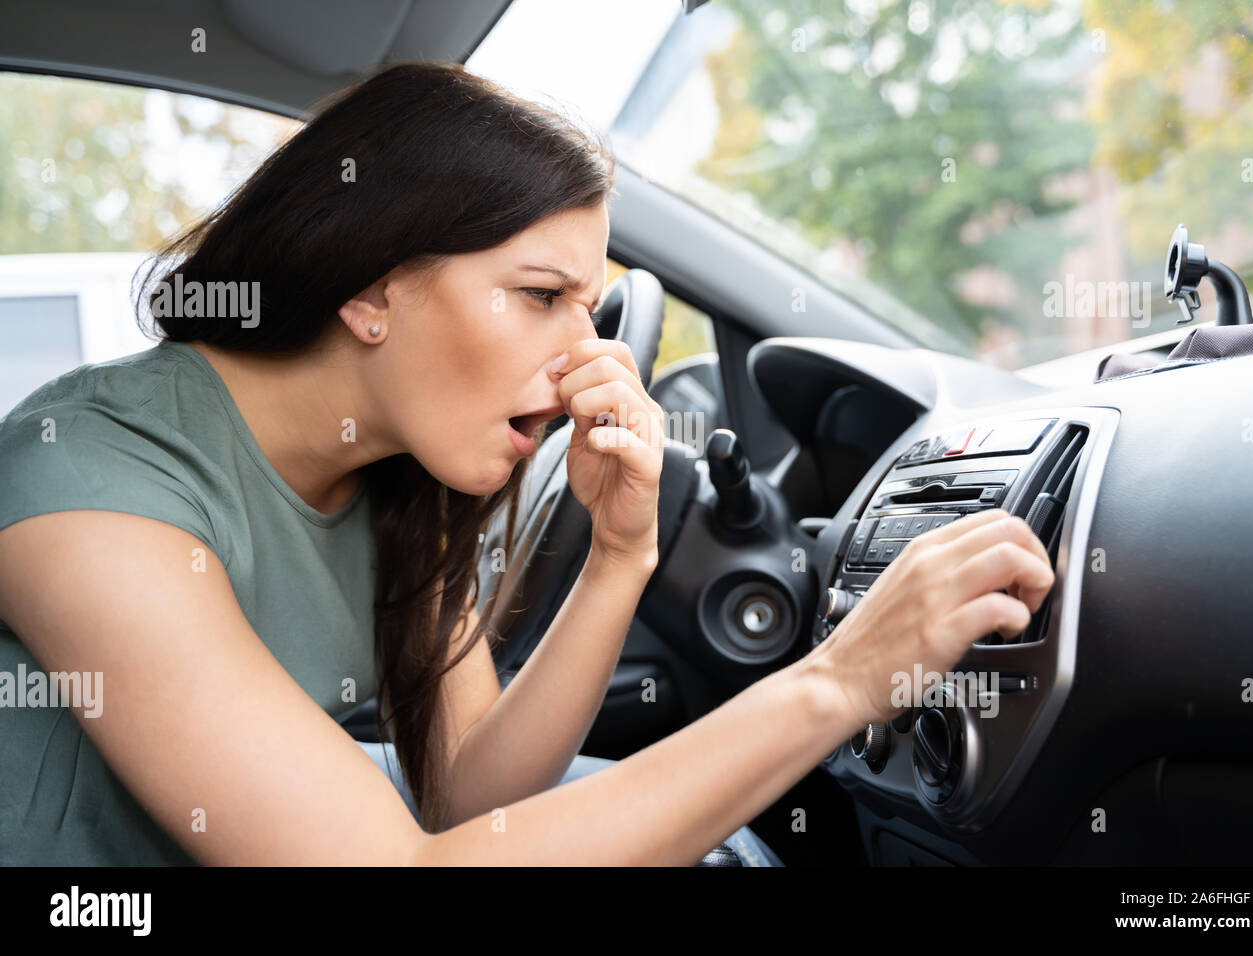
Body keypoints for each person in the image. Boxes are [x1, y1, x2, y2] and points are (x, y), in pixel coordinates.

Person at [0, 61, 1055, 866]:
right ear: (369, 289)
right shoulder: (93, 489)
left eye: (589, 311)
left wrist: (620, 553)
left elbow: (470, 796)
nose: (583, 361)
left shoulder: (391, 477)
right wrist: (838, 680)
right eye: (540, 296)